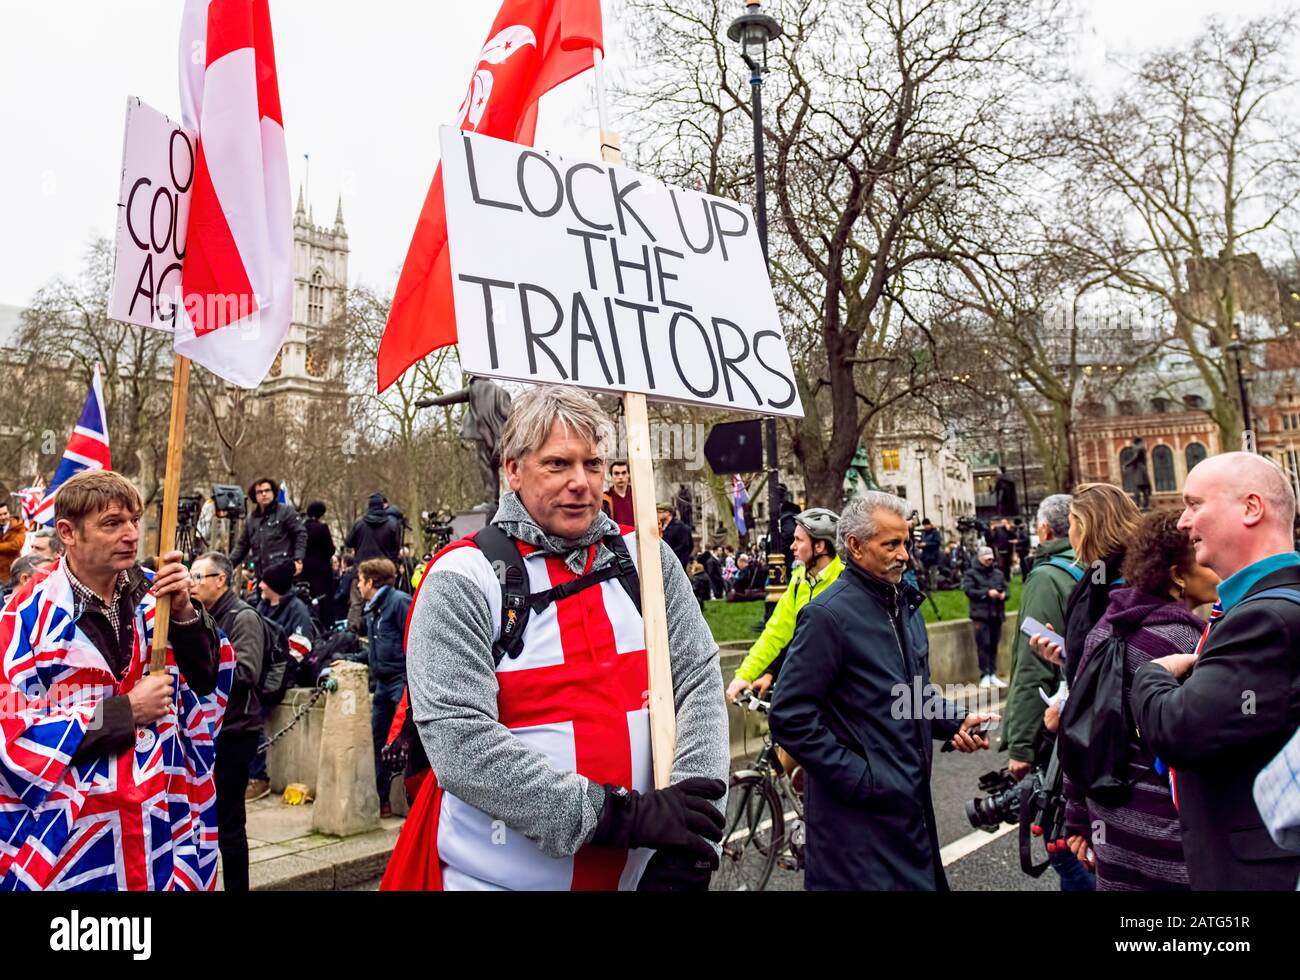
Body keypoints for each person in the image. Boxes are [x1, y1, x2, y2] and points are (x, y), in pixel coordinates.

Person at [381, 386, 728, 891]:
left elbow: (696, 682)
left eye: (593, 464)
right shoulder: (462, 575)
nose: (581, 483)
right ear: (513, 470)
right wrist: (614, 816)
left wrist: (695, 841)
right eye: (558, 464)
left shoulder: (648, 561)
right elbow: (459, 738)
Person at [0, 470, 230, 890]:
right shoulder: (25, 619)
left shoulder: (155, 594)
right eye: (112, 523)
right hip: (72, 835)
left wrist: (183, 615)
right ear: (68, 532)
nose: (130, 534)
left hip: (160, 816)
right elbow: (14, 733)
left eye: (134, 520)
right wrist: (126, 711)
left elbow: (205, 680)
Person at [769, 492, 996, 890]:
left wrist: (956, 720)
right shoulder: (827, 615)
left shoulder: (905, 606)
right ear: (855, 546)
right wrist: (862, 779)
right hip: (853, 832)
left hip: (908, 813)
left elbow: (906, 696)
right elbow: (789, 716)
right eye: (891, 544)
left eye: (905, 542)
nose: (904, 554)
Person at [1130, 452, 1300, 890]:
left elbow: (1184, 730)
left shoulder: (1261, 620)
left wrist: (1152, 676)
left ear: (1251, 508)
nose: (1184, 523)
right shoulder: (1266, 606)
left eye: (1195, 504)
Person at [1064, 512, 1218, 890]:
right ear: (1178, 575)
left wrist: (1078, 817)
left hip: (1113, 825)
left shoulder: (1106, 627)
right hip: (1170, 832)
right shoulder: (1185, 644)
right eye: (1204, 558)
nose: (1218, 569)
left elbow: (1078, 727)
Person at [190, 551, 266, 893]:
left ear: (220, 580)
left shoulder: (242, 617)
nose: (191, 583)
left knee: (229, 823)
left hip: (234, 731)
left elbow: (246, 672)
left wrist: (202, 675)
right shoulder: (200, 615)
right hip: (205, 730)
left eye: (198, 577)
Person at [726, 509, 844, 703]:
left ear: (820, 546)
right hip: (806, 685)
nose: (792, 546)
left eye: (799, 540)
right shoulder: (799, 581)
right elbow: (776, 632)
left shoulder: (844, 581)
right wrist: (745, 675)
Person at [1003, 495, 1078, 781]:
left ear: (1044, 531)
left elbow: (1033, 663)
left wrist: (1021, 745)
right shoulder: (1098, 568)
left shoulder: (1047, 578)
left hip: (1058, 725)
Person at [357, 558, 413, 816]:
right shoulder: (373, 609)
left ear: (371, 582)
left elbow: (414, 638)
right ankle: (383, 800)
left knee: (404, 740)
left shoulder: (398, 602)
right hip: (382, 682)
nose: (358, 585)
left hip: (400, 680)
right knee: (379, 739)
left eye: (360, 580)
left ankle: (411, 799)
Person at [230, 478, 306, 580]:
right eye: (260, 492)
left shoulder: (286, 512)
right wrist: (227, 566)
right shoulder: (251, 519)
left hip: (283, 574)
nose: (264, 494)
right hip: (261, 575)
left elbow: (300, 534)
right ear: (255, 496)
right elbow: (242, 546)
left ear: (274, 492)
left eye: (267, 490)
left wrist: (298, 558)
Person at [346, 493, 403, 626]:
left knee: (356, 603)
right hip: (384, 570)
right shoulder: (392, 524)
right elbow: (396, 547)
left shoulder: (359, 523)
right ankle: (384, 628)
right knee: (385, 603)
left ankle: (352, 633)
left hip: (362, 568)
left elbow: (348, 541)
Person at [962, 547, 1008, 689]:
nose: (989, 561)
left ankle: (993, 673)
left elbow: (1006, 589)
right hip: (981, 615)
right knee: (984, 644)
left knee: (994, 644)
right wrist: (987, 593)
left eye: (991, 558)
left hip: (996, 613)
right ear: (980, 558)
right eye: (986, 558)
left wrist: (1004, 594)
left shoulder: (998, 574)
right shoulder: (971, 574)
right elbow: (969, 591)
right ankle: (984, 674)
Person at [299, 500, 336, 627]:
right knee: (323, 600)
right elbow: (330, 549)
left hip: (304, 569)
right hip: (321, 570)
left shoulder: (301, 528)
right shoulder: (322, 528)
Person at [657, 502, 693, 570]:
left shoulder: (680, 526)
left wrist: (669, 553)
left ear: (668, 513)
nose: (657, 514)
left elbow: (685, 545)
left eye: (659, 512)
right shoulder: (663, 526)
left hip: (676, 564)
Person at [601, 460, 635, 527]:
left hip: (636, 535)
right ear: (611, 476)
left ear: (629, 475)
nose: (620, 477)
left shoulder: (637, 495)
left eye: (624, 473)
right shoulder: (605, 498)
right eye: (616, 473)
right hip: (616, 536)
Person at [0, 503, 26, 585]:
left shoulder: (18, 526)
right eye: (0, 515)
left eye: (5, 513)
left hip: (11, 571)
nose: (3, 517)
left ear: (9, 513)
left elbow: (16, 546)